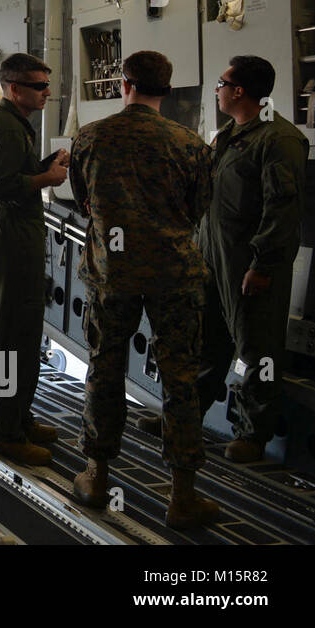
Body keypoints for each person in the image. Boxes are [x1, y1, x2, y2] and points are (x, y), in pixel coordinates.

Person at [67, 51, 218, 529]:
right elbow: (197, 209)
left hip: (112, 276)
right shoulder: (191, 145)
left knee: (105, 369)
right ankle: (182, 496)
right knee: (180, 380)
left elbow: (83, 200)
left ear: (122, 84)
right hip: (175, 274)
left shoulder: (91, 137)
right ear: (166, 90)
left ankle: (95, 475)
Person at [197, 55, 307, 463]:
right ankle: (188, 417)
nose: (218, 90)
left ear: (239, 91)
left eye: (221, 83)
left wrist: (262, 264)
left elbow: (282, 208)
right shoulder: (228, 135)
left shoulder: (278, 140)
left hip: (248, 263)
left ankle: (252, 433)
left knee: (256, 351)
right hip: (213, 258)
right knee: (208, 344)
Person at [0, 52, 69, 465]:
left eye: (47, 84)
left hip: (12, 239)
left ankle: (18, 418)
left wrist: (44, 167)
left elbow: (9, 176)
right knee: (12, 341)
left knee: (25, 337)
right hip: (10, 242)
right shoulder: (8, 128)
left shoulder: (9, 123)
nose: (47, 92)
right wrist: (46, 178)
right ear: (15, 89)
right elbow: (0, 186)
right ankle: (3, 432)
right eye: (39, 86)